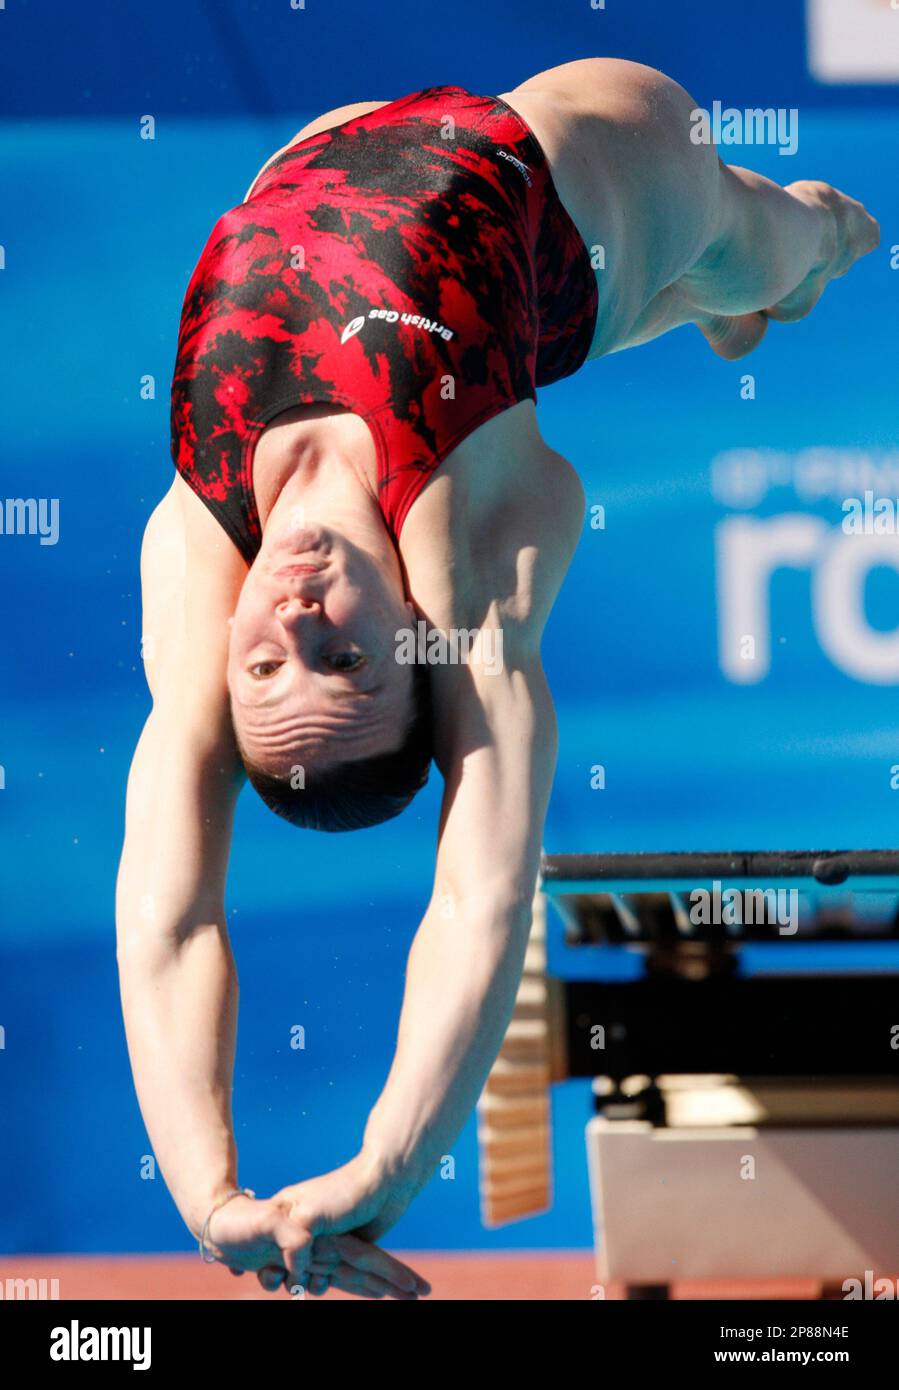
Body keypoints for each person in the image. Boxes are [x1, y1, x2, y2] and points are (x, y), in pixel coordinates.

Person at [116, 58, 879, 1298]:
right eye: (345, 656)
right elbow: (476, 899)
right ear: (416, 644)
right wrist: (389, 1162)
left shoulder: (199, 545)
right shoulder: (466, 558)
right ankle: (775, 268)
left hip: (345, 132)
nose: (295, 612)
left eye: (268, 657)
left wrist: (205, 1191)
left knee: (700, 299)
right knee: (775, 245)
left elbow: (170, 916)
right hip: (592, 194)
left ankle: (713, 307)